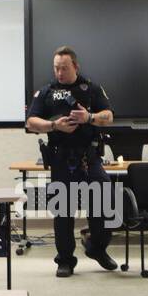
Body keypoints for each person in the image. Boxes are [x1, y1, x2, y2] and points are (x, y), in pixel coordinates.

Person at [24, 46, 118, 277]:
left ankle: (96, 248)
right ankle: (65, 260)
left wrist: (90, 117)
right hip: (61, 157)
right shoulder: (46, 92)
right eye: (56, 68)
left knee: (104, 199)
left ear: (76, 66)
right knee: (63, 211)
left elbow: (109, 116)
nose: (59, 72)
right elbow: (30, 122)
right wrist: (54, 125)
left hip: (89, 156)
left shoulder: (91, 88)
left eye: (64, 68)